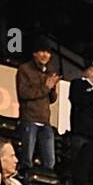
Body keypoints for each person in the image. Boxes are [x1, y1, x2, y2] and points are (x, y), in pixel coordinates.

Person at [15, 39, 59, 171]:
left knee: (50, 161)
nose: (45, 55)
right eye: (41, 51)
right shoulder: (24, 69)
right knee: (26, 158)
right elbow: (23, 93)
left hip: (45, 120)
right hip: (30, 119)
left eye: (48, 52)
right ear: (34, 53)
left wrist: (52, 88)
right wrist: (46, 87)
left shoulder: (50, 71)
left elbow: (52, 99)